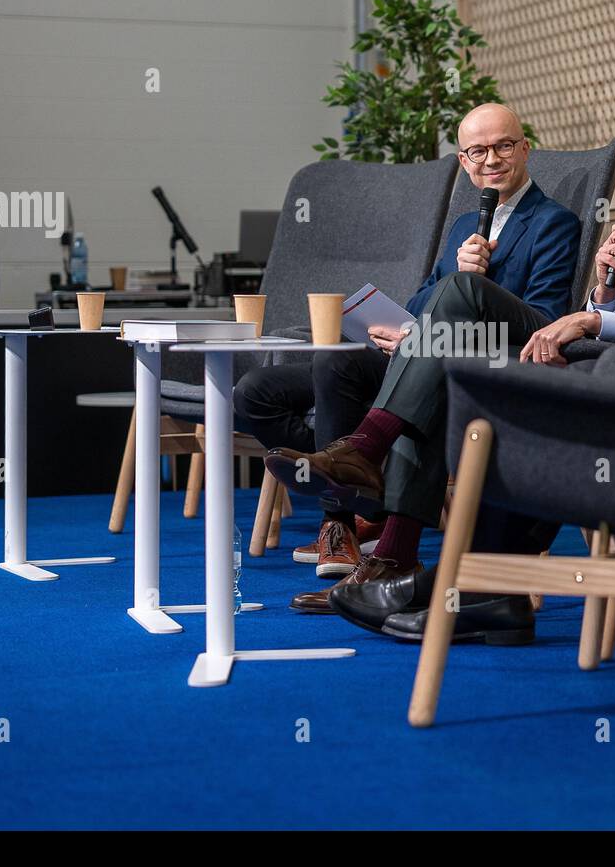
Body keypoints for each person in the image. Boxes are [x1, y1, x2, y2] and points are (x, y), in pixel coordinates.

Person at [269, 86, 615, 641]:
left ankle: (377, 472)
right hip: (573, 359)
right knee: (442, 360)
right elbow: (612, 313)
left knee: (457, 301)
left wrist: (592, 319)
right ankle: (429, 569)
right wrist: (605, 291)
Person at [235, 102, 581, 603]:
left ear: (525, 148)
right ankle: (354, 504)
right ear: (463, 161)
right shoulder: (465, 223)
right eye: (478, 151)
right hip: (423, 350)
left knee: (429, 371)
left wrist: (455, 301)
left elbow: (543, 322)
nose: (492, 159)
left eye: (504, 146)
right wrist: (446, 282)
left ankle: (366, 484)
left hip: (485, 359)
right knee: (308, 372)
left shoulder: (554, 221)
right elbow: (421, 299)